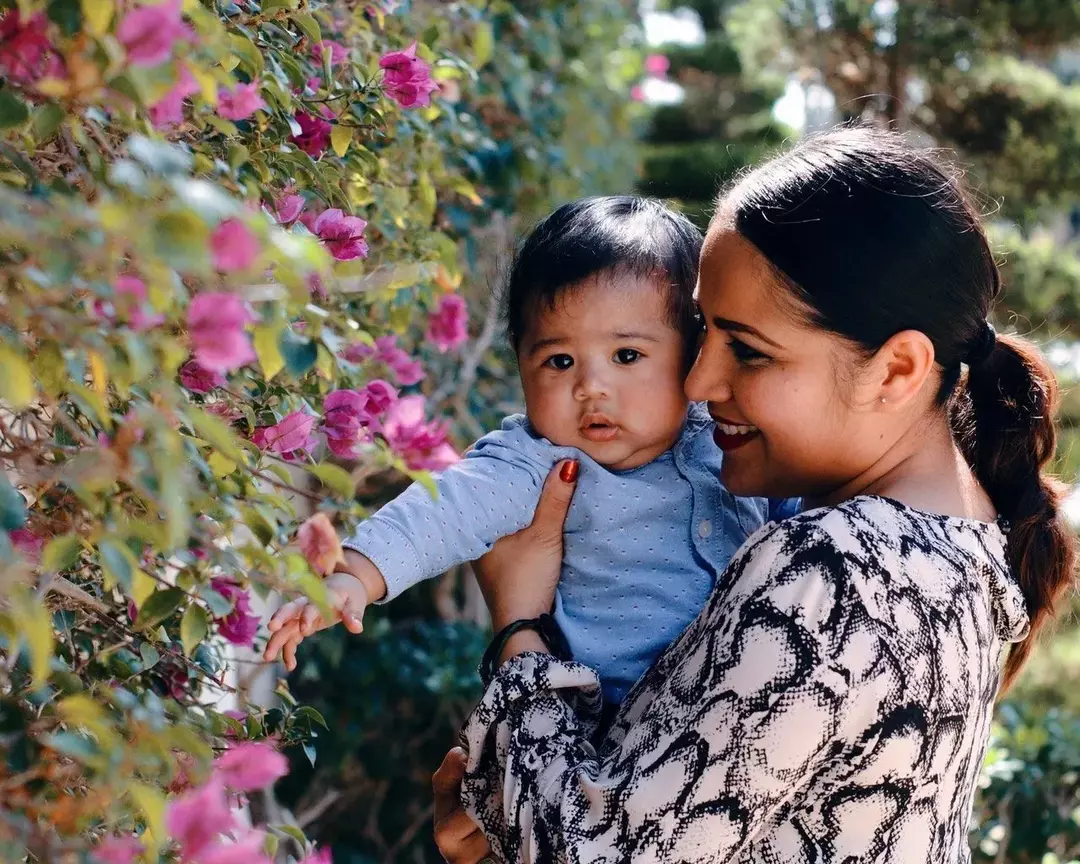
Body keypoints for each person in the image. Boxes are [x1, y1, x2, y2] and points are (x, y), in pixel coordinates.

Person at [434, 126, 1077, 862]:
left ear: (897, 371)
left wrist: (521, 629)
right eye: (702, 333)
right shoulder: (962, 541)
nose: (699, 384)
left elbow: (596, 852)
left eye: (748, 349)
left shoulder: (834, 571)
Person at [263, 196, 795, 709]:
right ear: (522, 364)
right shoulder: (532, 463)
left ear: (693, 354)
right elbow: (442, 510)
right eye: (559, 362)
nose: (591, 386)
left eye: (626, 355)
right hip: (595, 717)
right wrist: (355, 573)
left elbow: (805, 508)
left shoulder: (728, 437)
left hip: (734, 705)